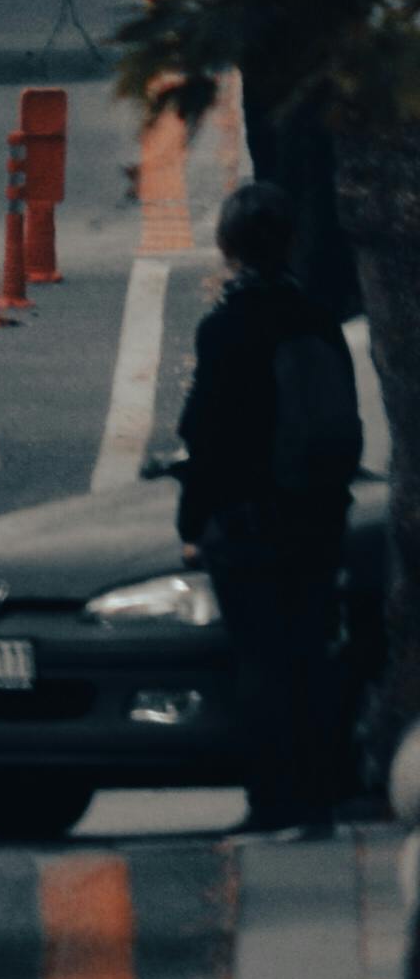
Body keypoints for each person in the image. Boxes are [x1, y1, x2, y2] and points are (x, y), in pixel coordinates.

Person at [176, 177, 364, 838]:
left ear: (229, 246)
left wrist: (193, 523)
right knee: (311, 654)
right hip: (318, 516)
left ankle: (274, 802)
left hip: (249, 523)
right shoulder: (316, 319)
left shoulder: (226, 329)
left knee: (261, 664)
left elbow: (206, 434)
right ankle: (320, 800)